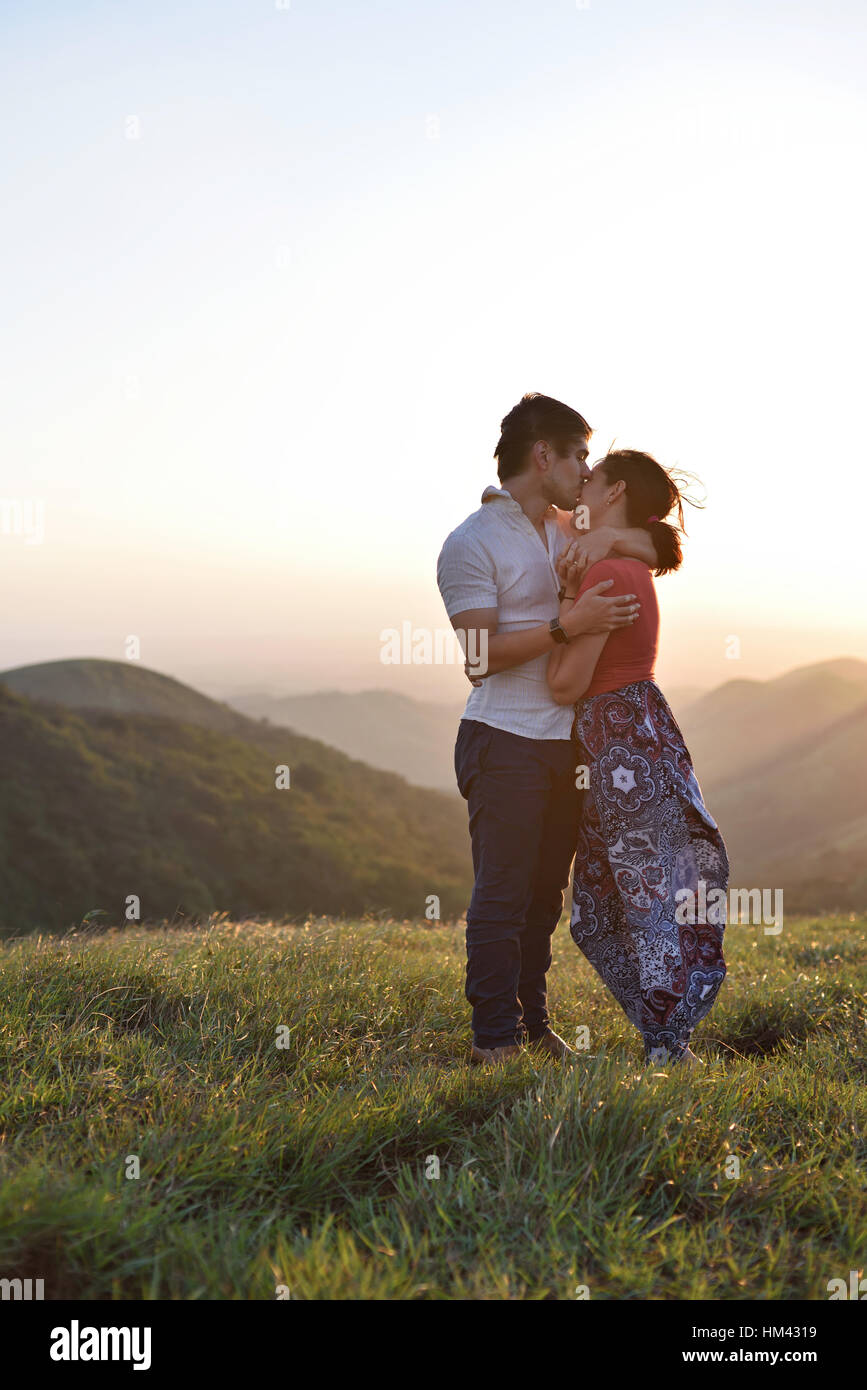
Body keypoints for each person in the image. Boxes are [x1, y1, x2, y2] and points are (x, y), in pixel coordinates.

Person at [436, 394, 659, 1066]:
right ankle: (492, 1040)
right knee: (502, 895)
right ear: (544, 456)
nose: (585, 468)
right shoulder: (471, 542)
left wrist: (610, 538)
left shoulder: (569, 528)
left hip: (568, 745)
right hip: (503, 739)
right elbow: (476, 661)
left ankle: (533, 1025)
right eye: (579, 455)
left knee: (543, 898)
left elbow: (658, 544)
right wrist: (570, 625)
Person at [547, 449, 729, 1066]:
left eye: (591, 477)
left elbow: (565, 686)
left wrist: (564, 616)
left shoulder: (610, 571)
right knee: (627, 895)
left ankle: (667, 1043)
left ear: (614, 489)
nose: (582, 483)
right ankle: (667, 1038)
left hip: (620, 745)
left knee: (627, 898)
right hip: (639, 737)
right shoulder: (626, 561)